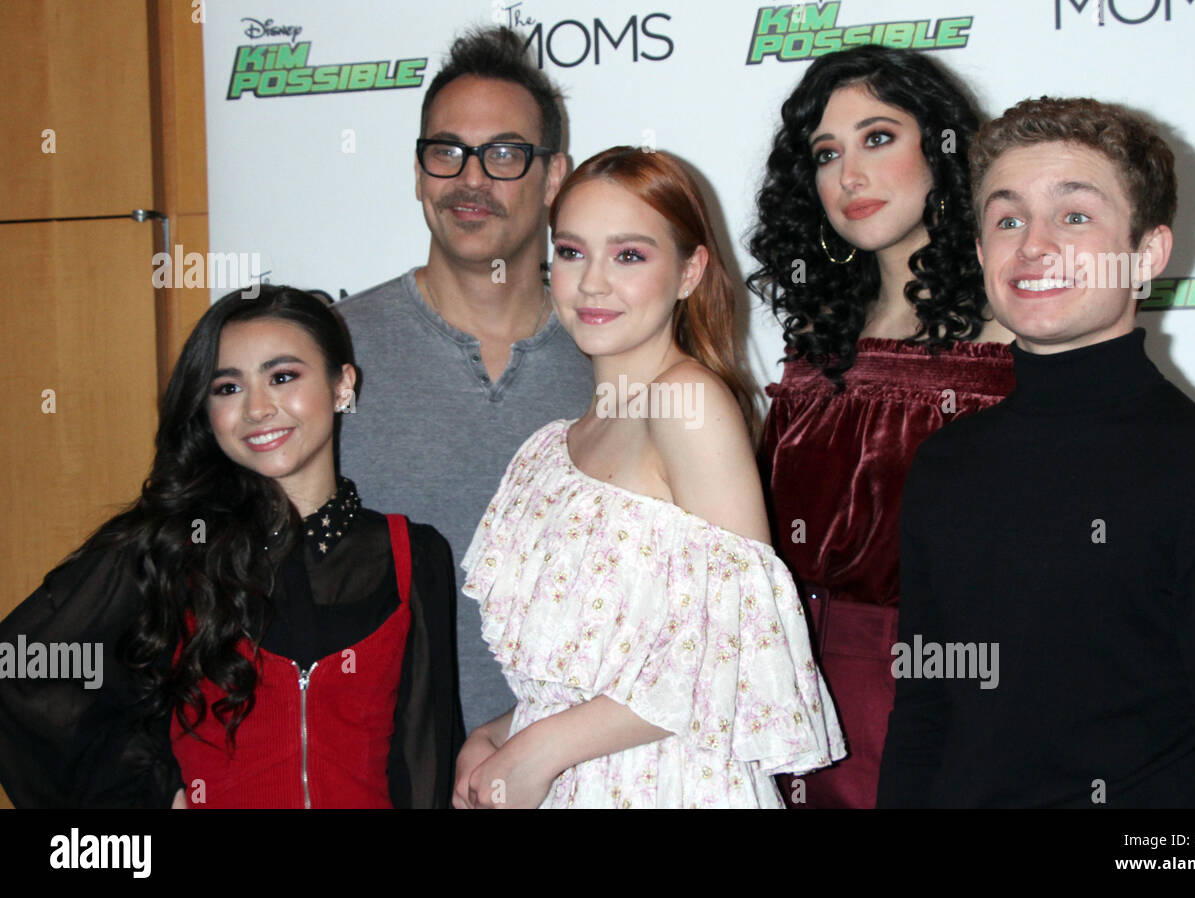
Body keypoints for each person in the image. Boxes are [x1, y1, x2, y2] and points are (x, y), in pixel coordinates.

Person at [877, 97, 1195, 807]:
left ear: (1146, 254)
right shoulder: (945, 462)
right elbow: (924, 714)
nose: (1033, 245)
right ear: (981, 254)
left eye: (1074, 216)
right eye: (1007, 219)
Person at [455, 147, 845, 808]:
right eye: (573, 252)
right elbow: (591, 682)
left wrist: (538, 750)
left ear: (691, 272)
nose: (593, 283)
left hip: (672, 786)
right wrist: (497, 735)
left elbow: (737, 646)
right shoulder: (549, 448)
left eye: (629, 255)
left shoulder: (687, 405)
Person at [0, 286, 461, 808]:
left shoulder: (412, 554)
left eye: (282, 377)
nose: (258, 408)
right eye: (227, 388)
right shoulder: (174, 548)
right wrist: (153, 791)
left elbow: (425, 757)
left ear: (342, 386)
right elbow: (19, 665)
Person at [746, 45, 1014, 808]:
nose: (849, 176)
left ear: (943, 146)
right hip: (787, 703)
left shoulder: (1015, 328)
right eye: (826, 153)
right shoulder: (817, 341)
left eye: (878, 137)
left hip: (944, 705)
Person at [335, 26, 593, 736]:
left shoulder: (616, 358)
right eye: (446, 152)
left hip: (576, 771)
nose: (470, 180)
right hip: (377, 770)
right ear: (419, 173)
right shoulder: (329, 349)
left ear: (554, 175)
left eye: (504, 154)